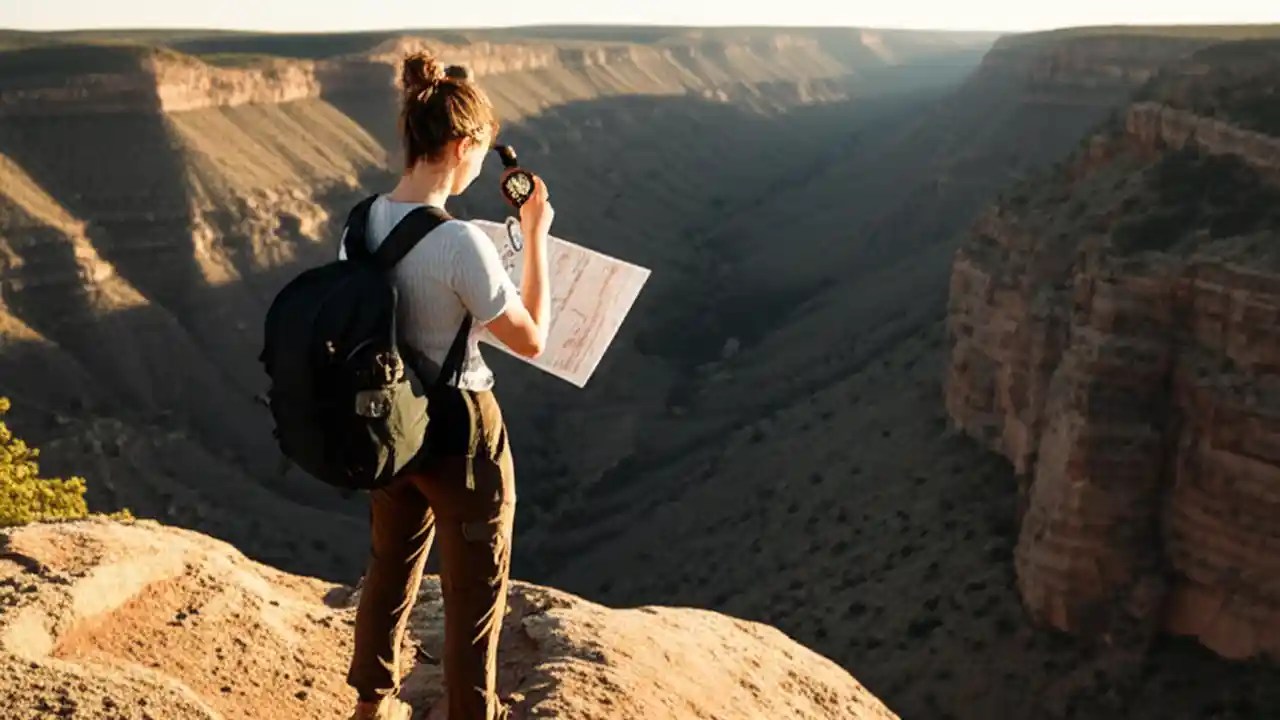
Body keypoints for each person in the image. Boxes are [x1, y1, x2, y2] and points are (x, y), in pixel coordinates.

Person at [345, 50, 553, 720]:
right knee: (472, 598)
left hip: (386, 419)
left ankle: (369, 704)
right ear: (463, 145)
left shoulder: (359, 224)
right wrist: (536, 238)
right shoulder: (464, 242)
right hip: (463, 431)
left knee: (389, 566)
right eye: (481, 151)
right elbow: (531, 338)